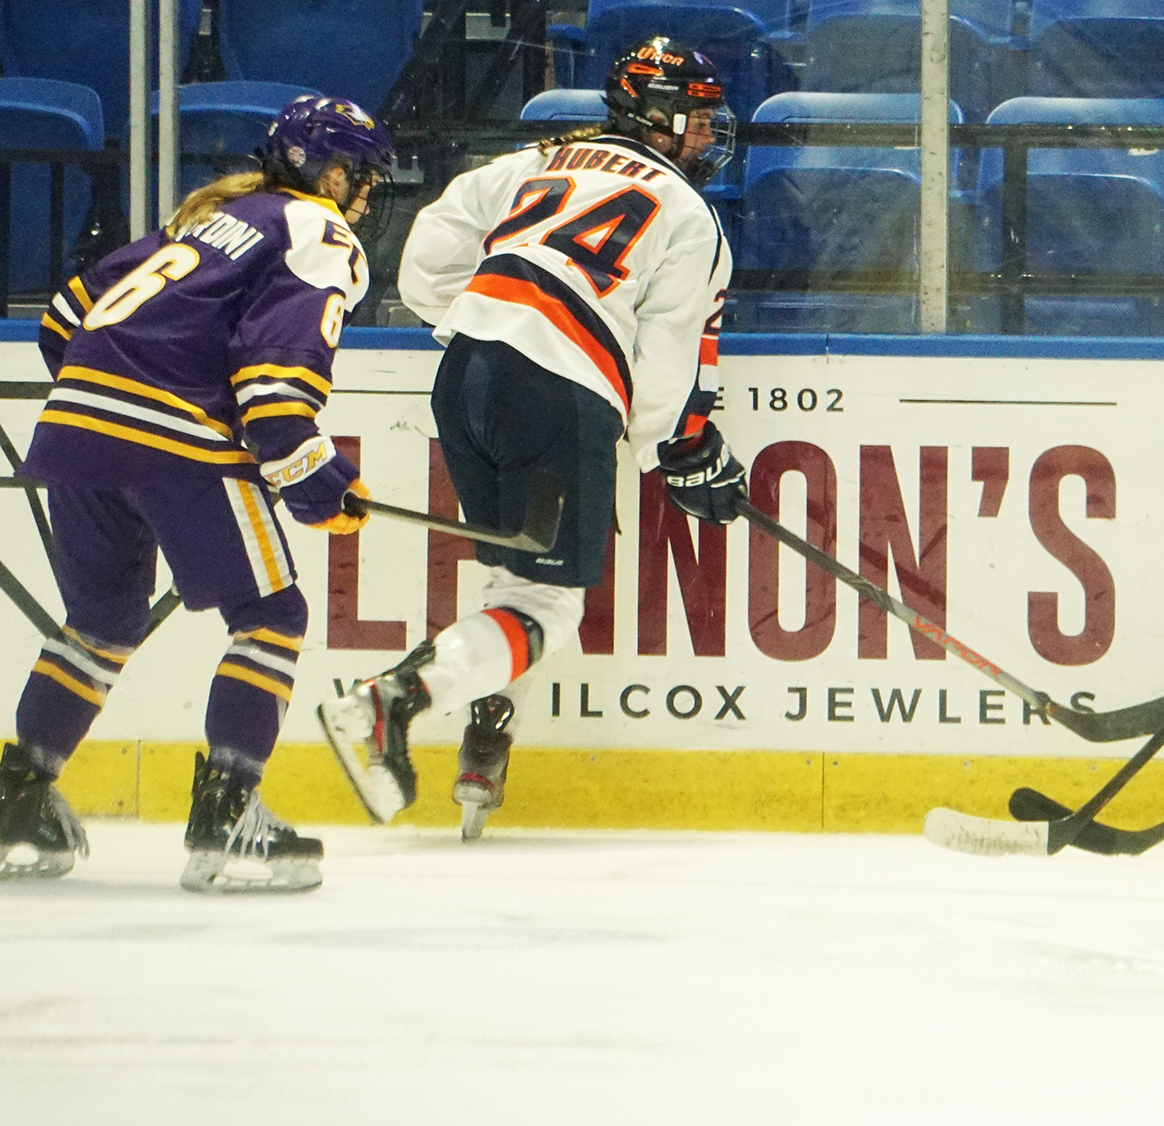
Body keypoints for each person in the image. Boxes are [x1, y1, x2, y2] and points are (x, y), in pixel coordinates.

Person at [318, 37, 744, 841]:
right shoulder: (690, 215)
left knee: (515, 574)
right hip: (559, 390)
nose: (704, 137)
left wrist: (489, 325)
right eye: (694, 120)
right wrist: (681, 450)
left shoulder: (535, 164)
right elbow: (667, 374)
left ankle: (486, 732)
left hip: (464, 378)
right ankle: (390, 703)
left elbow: (427, 260)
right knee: (547, 603)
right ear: (653, 118)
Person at [0, 96, 392, 892]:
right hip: (176, 437)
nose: (367, 197)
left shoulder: (211, 218)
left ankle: (18, 809)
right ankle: (227, 821)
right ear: (335, 172)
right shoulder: (319, 230)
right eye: (365, 178)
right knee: (272, 617)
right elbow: (276, 380)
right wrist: (313, 480)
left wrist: (111, 405)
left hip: (74, 427)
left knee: (99, 623)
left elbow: (65, 317)